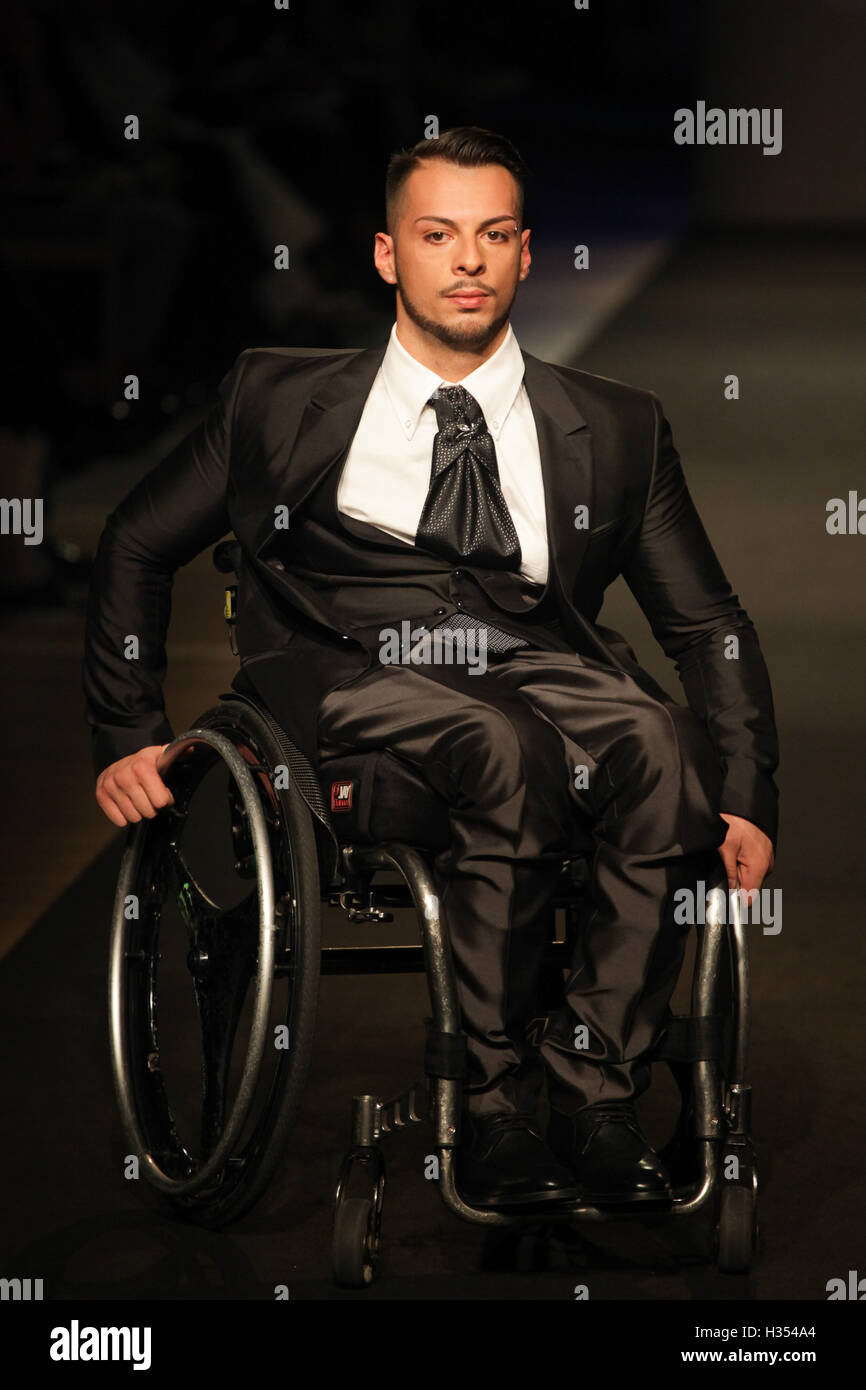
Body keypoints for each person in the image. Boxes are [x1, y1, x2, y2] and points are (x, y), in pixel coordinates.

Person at [83, 126, 778, 1212]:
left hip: (537, 661)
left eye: (491, 235)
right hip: (353, 664)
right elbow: (133, 541)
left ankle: (590, 1091)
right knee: (490, 742)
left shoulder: (614, 424)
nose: (466, 260)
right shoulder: (276, 397)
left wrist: (741, 792)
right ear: (384, 255)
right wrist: (125, 727)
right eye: (437, 234)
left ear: (525, 254)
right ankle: (491, 1103)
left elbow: (707, 622)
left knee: (654, 742)